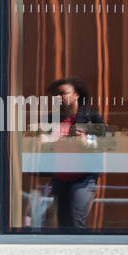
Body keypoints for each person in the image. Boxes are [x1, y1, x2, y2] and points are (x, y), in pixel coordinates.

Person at [44, 77, 105, 230]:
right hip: (60, 178)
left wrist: (86, 141)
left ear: (76, 95)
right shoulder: (51, 119)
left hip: (82, 178)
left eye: (63, 93)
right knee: (63, 223)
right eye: (56, 95)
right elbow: (41, 144)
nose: (59, 98)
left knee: (76, 222)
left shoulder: (90, 118)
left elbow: (107, 142)